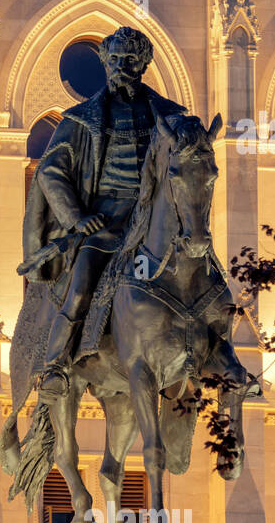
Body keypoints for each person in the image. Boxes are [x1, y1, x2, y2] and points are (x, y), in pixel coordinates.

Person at [24, 27, 185, 395]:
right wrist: (77, 218)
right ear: (104, 62)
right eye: (113, 59)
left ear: (145, 64)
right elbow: (51, 171)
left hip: (153, 221)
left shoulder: (170, 117)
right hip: (106, 221)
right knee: (82, 281)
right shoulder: (82, 118)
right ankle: (56, 365)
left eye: (129, 60)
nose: (121, 67)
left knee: (203, 273)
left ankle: (216, 357)